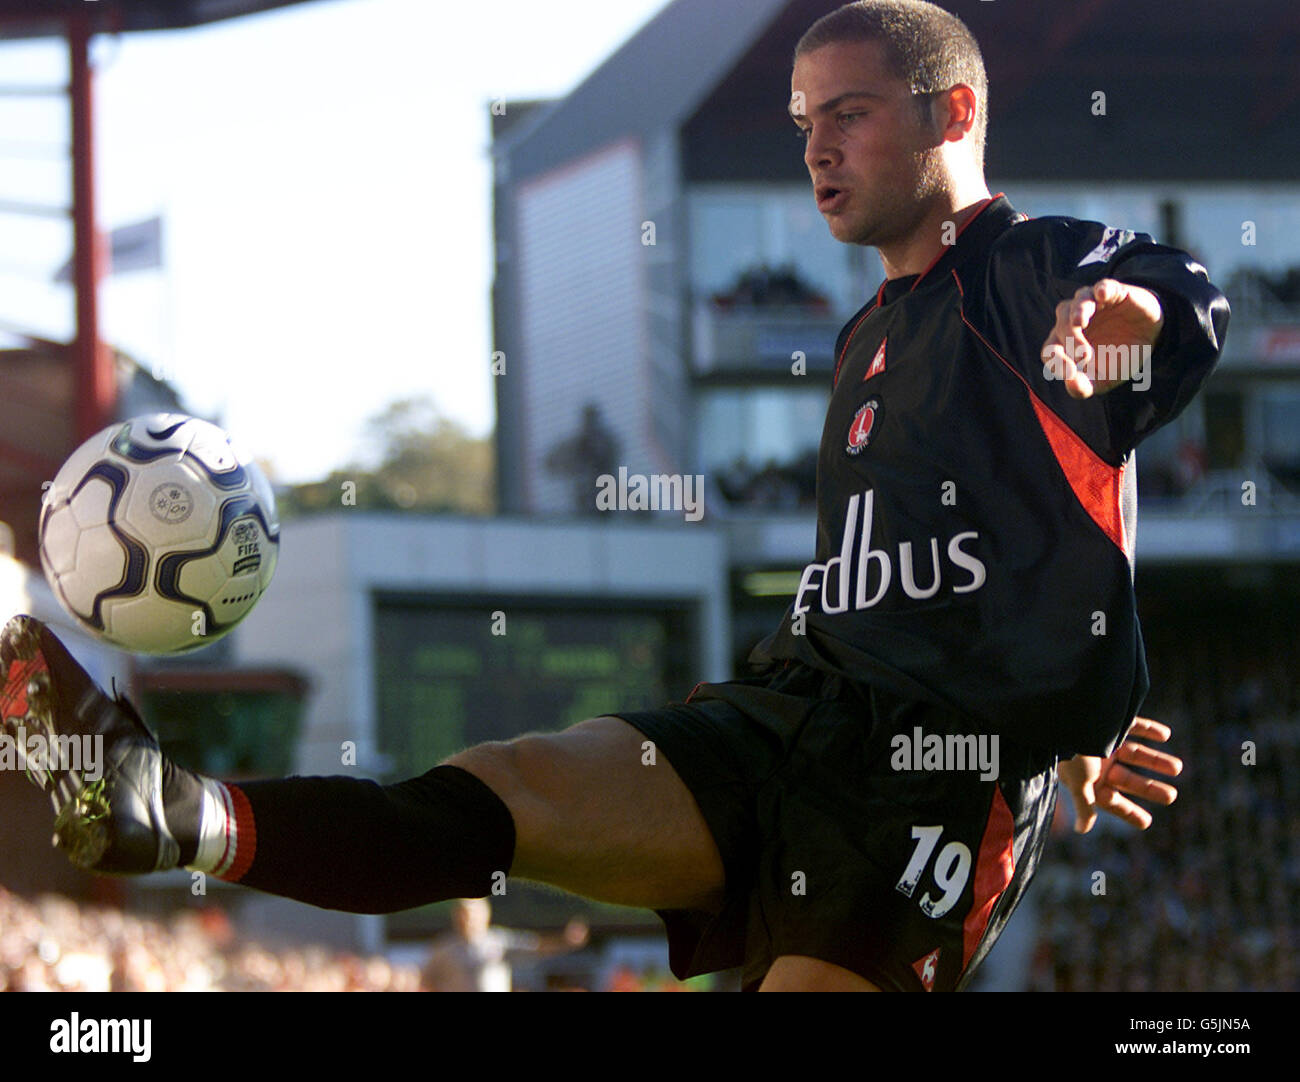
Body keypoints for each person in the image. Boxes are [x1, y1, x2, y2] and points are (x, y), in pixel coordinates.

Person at [1, 0, 1222, 991]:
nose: (815, 147)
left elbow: (1180, 299)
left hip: (925, 786)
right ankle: (171, 813)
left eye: (847, 114)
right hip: (792, 715)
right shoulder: (867, 335)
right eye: (804, 120)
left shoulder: (1030, 269)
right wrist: (1068, 707)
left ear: (953, 111)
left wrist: (1132, 322)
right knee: (509, 786)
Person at [419, 897, 588, 992]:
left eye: (471, 915)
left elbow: (536, 947)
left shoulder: (499, 941)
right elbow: (427, 980)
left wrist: (564, 941)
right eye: (462, 915)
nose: (466, 920)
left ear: (485, 915)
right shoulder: (443, 948)